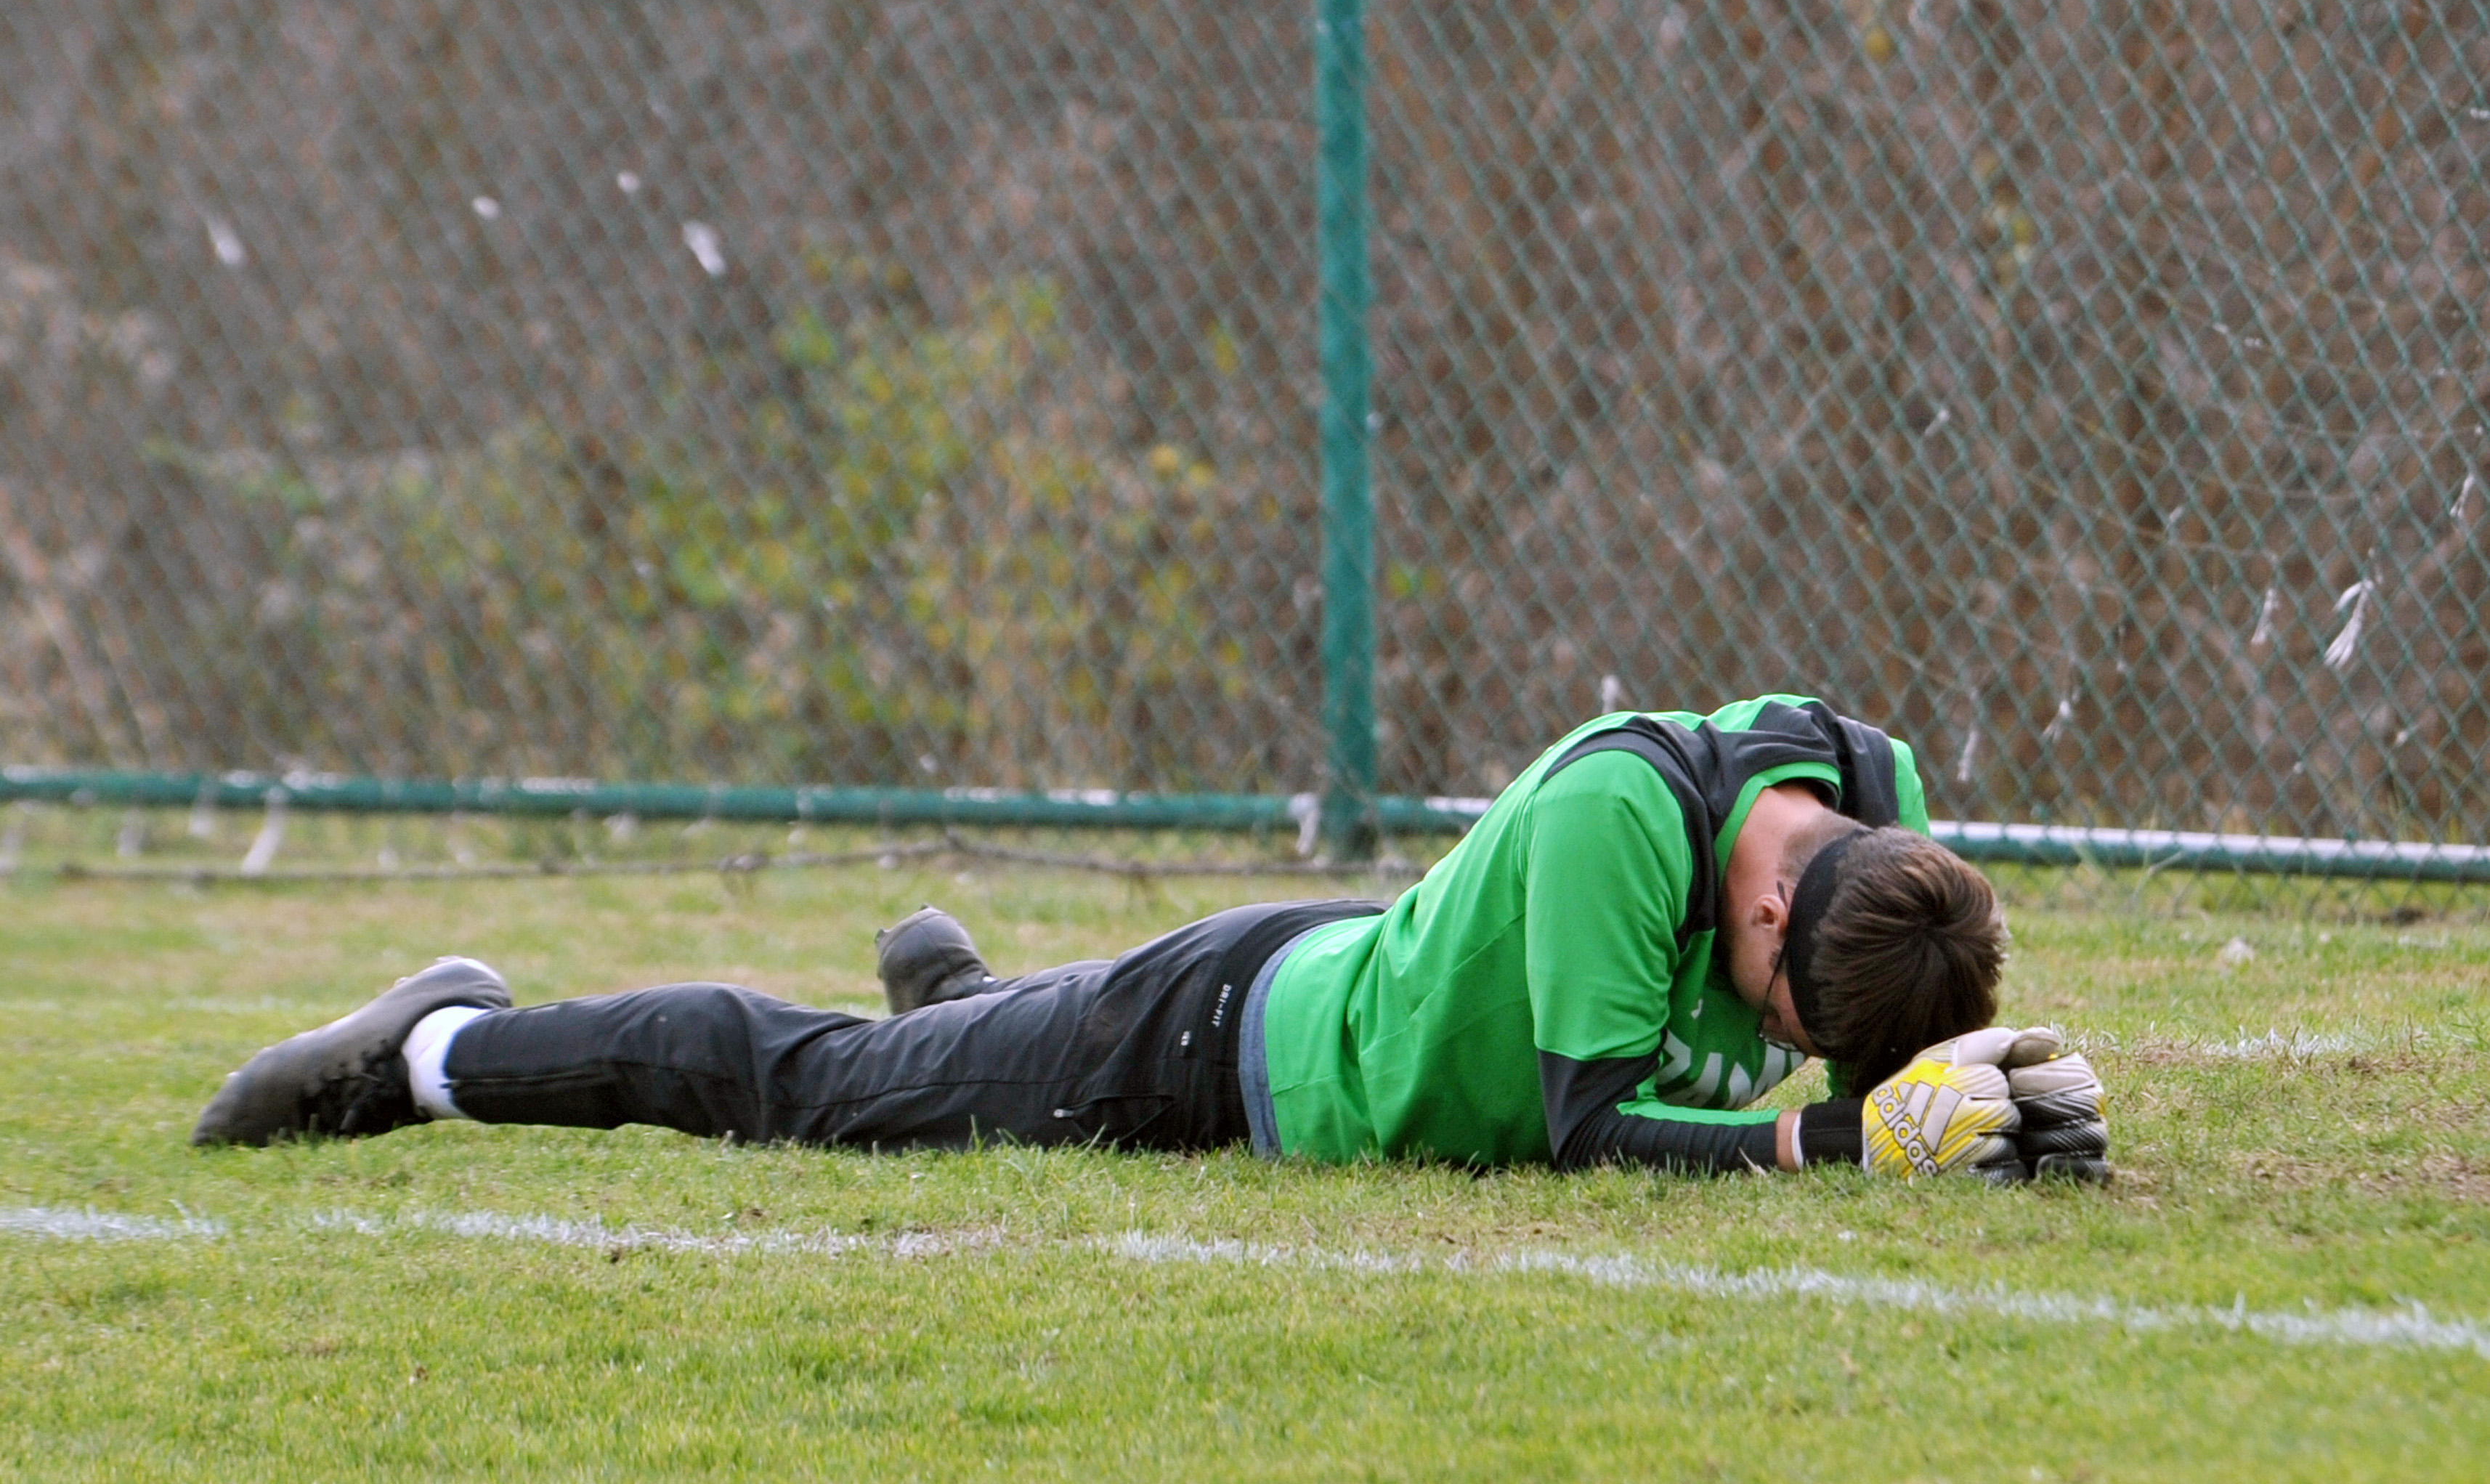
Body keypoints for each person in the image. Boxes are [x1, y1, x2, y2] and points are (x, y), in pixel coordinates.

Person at [192, 694, 2109, 1180]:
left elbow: (1889, 1050)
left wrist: (1995, 1109)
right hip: (1207, 1052)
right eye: (1784, 1013)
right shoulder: (1629, 815)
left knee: (957, 1052)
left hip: (1312, 978)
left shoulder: (1879, 804)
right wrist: (1823, 1141)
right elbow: (1584, 1126)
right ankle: (430, 1051)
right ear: (1762, 905)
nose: (1782, 1048)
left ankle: (965, 1000)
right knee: (812, 1089)